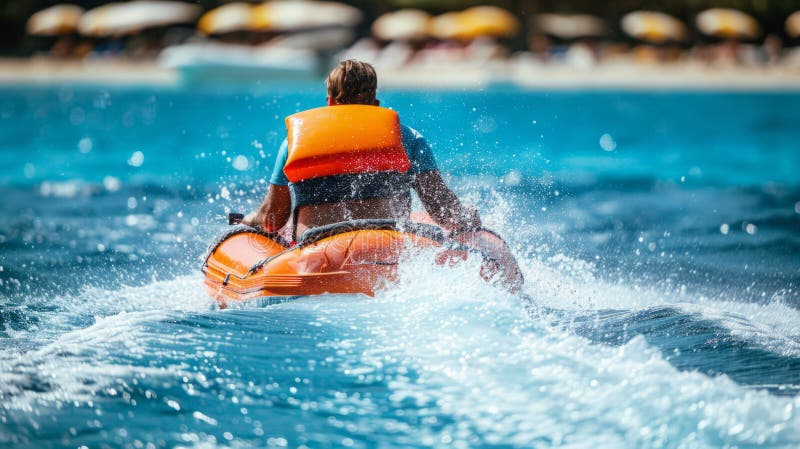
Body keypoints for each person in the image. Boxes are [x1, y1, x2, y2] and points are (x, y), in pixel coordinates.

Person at [243, 59, 481, 239]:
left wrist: (251, 219)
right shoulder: (409, 139)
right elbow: (442, 211)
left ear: (329, 102)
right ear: (375, 103)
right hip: (387, 246)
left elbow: (273, 219)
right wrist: (466, 217)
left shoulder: (295, 142)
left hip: (315, 250)